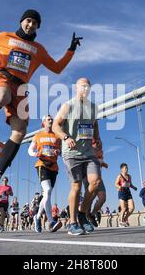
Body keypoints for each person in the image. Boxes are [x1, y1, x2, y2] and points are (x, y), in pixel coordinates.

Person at [0, 10, 82, 207]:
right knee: (2, 97)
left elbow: (57, 68)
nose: (31, 25)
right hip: (2, 78)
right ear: (22, 21)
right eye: (28, 21)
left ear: (38, 27)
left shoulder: (38, 49)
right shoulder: (4, 37)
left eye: (35, 23)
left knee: (20, 132)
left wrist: (71, 50)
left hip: (21, 89)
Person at [52, 78, 103, 236]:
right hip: (71, 153)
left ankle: (82, 212)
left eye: (87, 86)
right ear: (76, 88)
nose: (85, 89)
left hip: (88, 152)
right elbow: (55, 125)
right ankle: (73, 223)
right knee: (77, 186)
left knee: (95, 182)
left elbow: (94, 124)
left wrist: (98, 138)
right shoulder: (68, 105)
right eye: (82, 86)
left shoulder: (93, 107)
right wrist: (65, 137)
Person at [28, 115, 62, 233]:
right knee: (47, 191)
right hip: (42, 165)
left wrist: (59, 151)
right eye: (48, 120)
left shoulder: (57, 136)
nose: (51, 121)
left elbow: (61, 151)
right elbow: (30, 150)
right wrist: (35, 154)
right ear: (43, 123)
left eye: (52, 119)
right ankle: (51, 222)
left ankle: (37, 218)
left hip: (54, 167)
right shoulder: (38, 135)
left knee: (47, 195)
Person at [83, 138, 109, 227]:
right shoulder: (88, 150)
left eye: (100, 143)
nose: (98, 144)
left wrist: (103, 163)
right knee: (90, 197)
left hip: (99, 178)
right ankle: (85, 216)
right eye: (96, 143)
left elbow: (97, 162)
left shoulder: (100, 152)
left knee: (102, 198)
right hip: (88, 177)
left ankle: (92, 214)